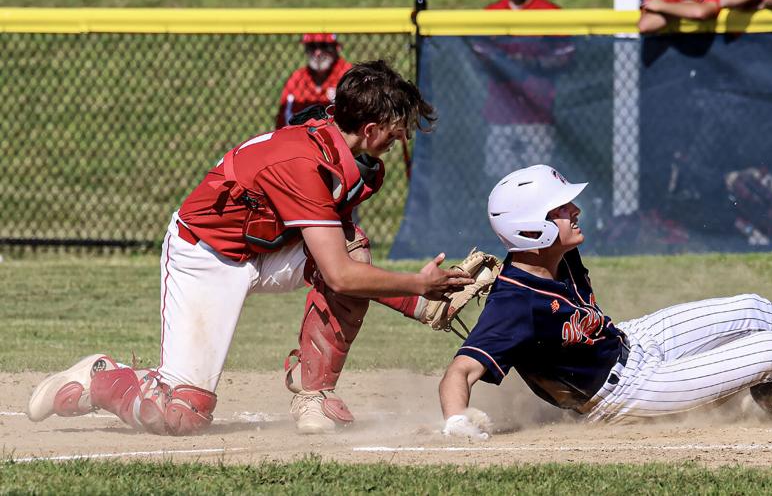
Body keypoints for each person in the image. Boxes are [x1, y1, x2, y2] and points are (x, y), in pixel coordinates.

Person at [27, 60, 475, 437]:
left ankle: (313, 394)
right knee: (180, 416)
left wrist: (420, 300)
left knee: (352, 247)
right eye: (397, 131)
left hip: (265, 250)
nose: (402, 140)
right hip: (205, 256)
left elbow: (340, 261)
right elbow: (339, 275)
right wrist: (418, 289)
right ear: (371, 127)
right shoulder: (304, 163)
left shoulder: (351, 160)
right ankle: (100, 378)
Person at [438, 165, 772, 439]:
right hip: (620, 395)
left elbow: (531, 273)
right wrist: (458, 422)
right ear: (532, 229)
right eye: (560, 210)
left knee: (751, 308)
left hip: (627, 341)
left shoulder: (556, 255)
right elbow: (458, 373)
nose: (575, 211)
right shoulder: (513, 305)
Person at [478, 0, 573, 180]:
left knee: (540, 181)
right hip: (500, 112)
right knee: (501, 181)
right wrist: (501, 61)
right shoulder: (492, 13)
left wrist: (532, 62)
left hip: (536, 113)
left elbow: (565, 55)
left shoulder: (549, 12)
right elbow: (477, 52)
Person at [275, 33, 353, 130]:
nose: (317, 53)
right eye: (312, 46)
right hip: (301, 138)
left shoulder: (348, 75)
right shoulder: (298, 78)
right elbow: (283, 119)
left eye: (324, 46)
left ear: (336, 48)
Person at [638, 0, 721, 34]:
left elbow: (702, 12)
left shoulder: (662, 4)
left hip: (715, 50)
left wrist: (663, 6)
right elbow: (645, 25)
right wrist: (686, 7)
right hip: (670, 57)